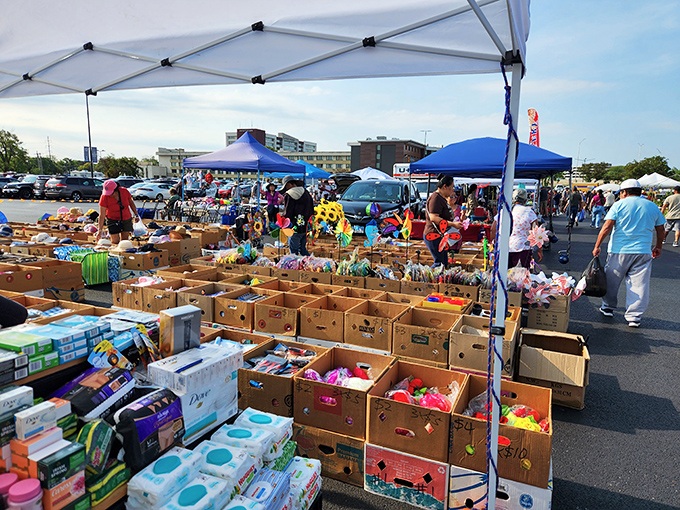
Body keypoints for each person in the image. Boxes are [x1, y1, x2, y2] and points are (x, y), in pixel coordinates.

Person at [592, 179, 665, 328]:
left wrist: (597, 245)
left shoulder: (618, 205)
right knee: (640, 284)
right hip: (643, 251)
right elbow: (660, 229)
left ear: (624, 192)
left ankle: (608, 307)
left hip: (619, 250)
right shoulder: (652, 206)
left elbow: (607, 227)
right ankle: (634, 317)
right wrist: (658, 246)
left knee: (612, 280)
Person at [490, 188, 542, 269]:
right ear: (525, 200)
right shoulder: (529, 212)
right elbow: (536, 233)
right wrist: (539, 250)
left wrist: (493, 243)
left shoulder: (504, 211)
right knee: (520, 277)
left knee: (504, 276)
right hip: (522, 248)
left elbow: (493, 229)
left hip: (503, 247)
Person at [423, 174, 463, 267]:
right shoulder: (436, 198)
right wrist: (453, 224)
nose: (453, 190)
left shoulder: (440, 198)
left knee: (443, 263)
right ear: (445, 186)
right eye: (452, 187)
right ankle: (429, 281)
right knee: (439, 264)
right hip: (433, 235)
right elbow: (434, 218)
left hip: (439, 236)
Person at [96, 179, 141, 244]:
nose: (109, 195)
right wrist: (99, 230)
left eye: (111, 193)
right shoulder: (104, 197)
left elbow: (131, 203)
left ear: (116, 190)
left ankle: (123, 253)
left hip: (126, 218)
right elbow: (102, 215)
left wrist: (136, 214)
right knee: (115, 241)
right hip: (112, 219)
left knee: (125, 242)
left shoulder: (124, 191)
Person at [280, 175, 315, 256]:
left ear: (289, 184)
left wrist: (283, 222)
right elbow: (311, 209)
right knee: (303, 249)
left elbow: (288, 211)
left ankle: (294, 267)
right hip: (306, 226)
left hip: (294, 227)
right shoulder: (305, 192)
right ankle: (308, 265)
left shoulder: (289, 194)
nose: (286, 188)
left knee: (294, 252)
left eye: (286, 186)